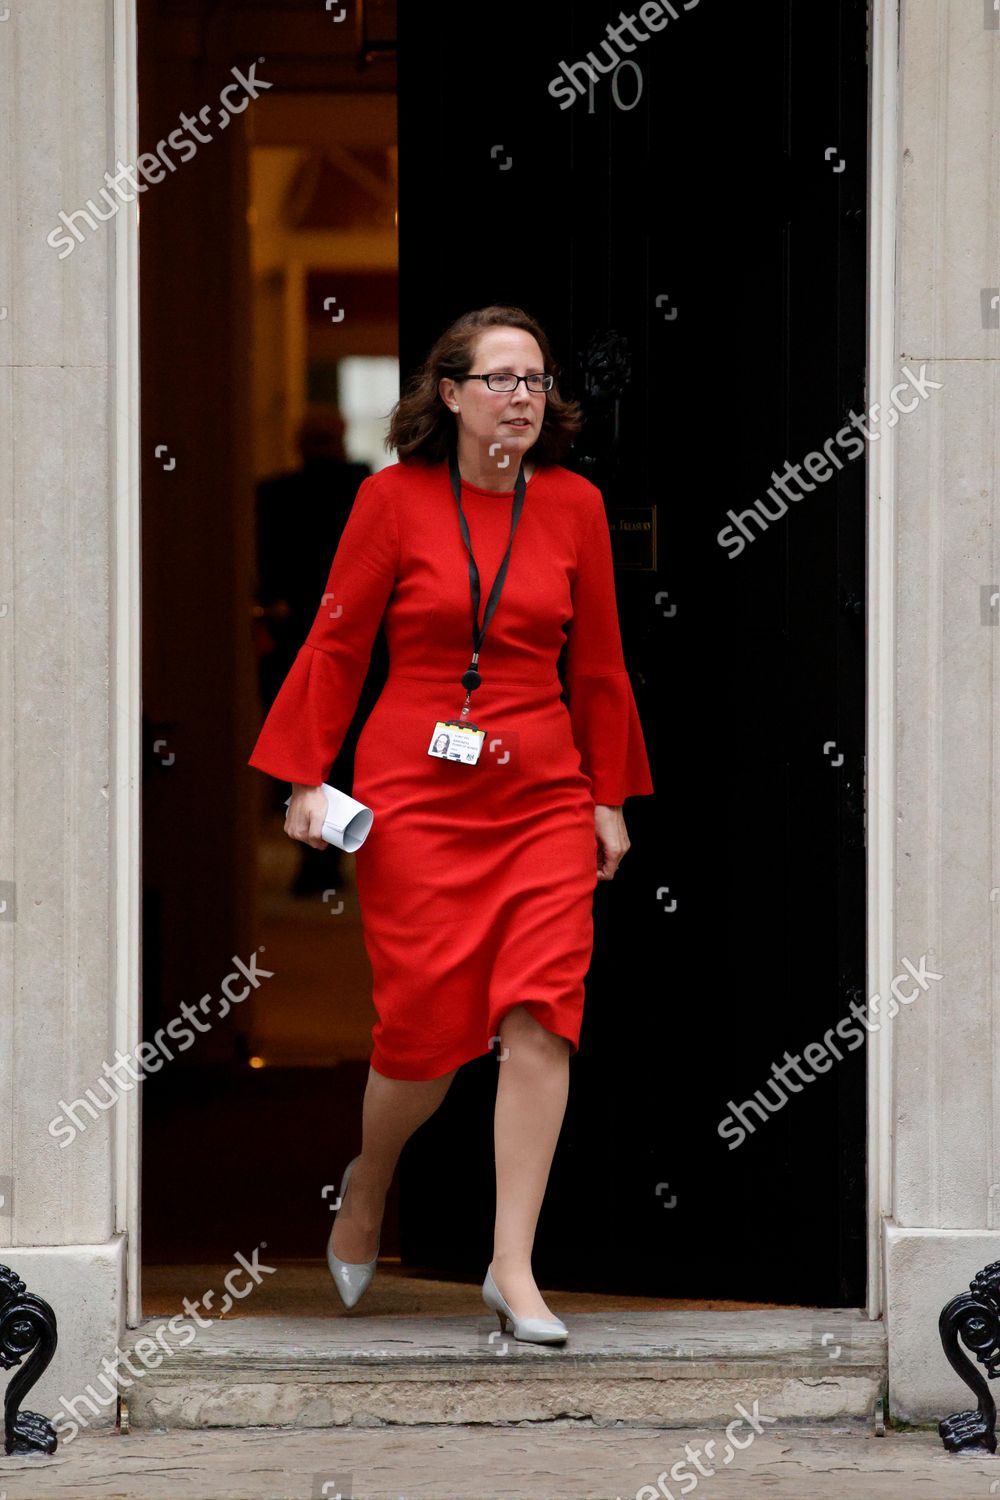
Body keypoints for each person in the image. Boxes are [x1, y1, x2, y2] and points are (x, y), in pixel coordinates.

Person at [247, 304, 654, 1344]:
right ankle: (368, 1182)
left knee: (541, 1015)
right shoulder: (391, 500)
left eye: (535, 380)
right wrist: (304, 772)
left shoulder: (572, 506)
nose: (523, 396)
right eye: (502, 378)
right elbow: (337, 642)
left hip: (541, 794)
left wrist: (605, 798)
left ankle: (510, 1265)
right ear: (453, 394)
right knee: (423, 1032)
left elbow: (598, 664)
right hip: (415, 793)